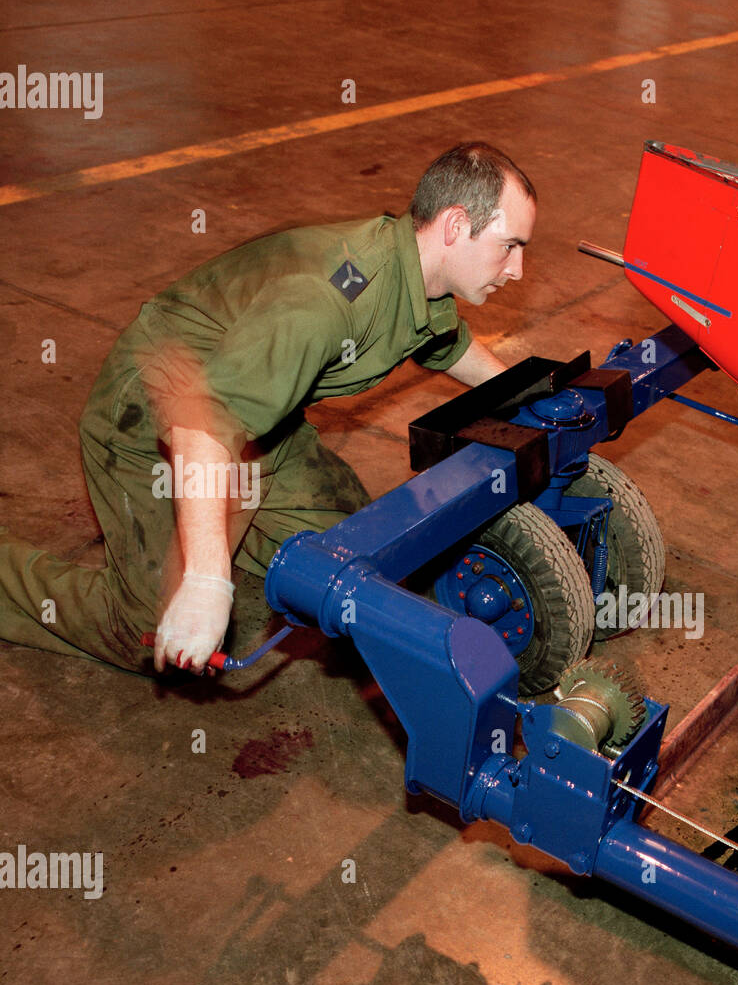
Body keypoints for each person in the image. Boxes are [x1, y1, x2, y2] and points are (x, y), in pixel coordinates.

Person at [0, 140, 536, 674]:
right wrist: (206, 582)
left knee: (355, 558)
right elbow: (200, 425)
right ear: (455, 225)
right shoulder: (326, 302)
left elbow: (451, 345)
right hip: (157, 413)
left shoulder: (422, 281)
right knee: (159, 629)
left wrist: (536, 388)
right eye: (509, 246)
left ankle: (229, 522)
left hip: (260, 422)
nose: (517, 270)